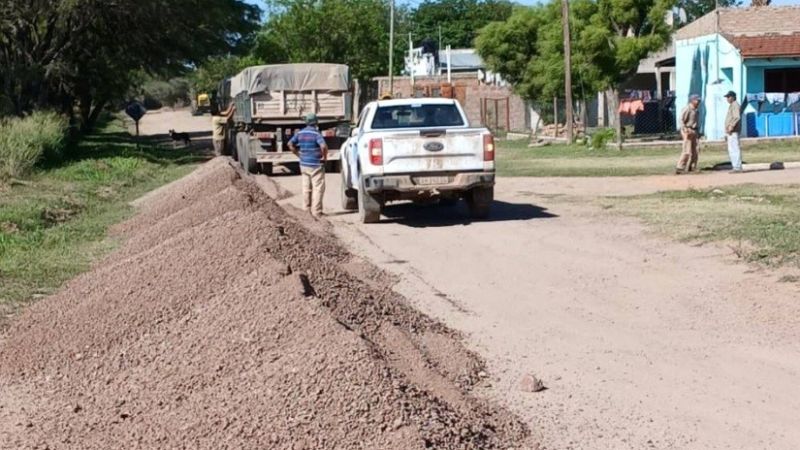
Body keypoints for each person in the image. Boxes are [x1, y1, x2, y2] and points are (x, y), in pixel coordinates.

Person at [288, 113, 329, 218]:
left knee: (306, 188)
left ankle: (306, 212)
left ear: (306, 122)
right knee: (318, 188)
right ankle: (317, 212)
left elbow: (290, 144)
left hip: (304, 164)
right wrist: (324, 157)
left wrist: (298, 154)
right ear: (316, 122)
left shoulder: (300, 133)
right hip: (316, 164)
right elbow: (323, 146)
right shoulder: (316, 134)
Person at [676, 94, 701, 175]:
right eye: (697, 100)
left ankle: (692, 167)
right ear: (692, 100)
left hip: (695, 131)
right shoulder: (687, 108)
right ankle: (680, 167)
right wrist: (685, 129)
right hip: (688, 130)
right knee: (687, 150)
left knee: (696, 150)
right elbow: (681, 119)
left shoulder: (696, 109)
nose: (699, 101)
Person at [724, 91, 743, 173]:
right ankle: (735, 166)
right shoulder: (732, 105)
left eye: (729, 97)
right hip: (730, 131)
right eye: (727, 97)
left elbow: (736, 117)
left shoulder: (735, 105)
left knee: (734, 148)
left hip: (733, 130)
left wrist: (731, 126)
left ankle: (737, 167)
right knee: (731, 149)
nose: (727, 99)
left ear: (733, 97)